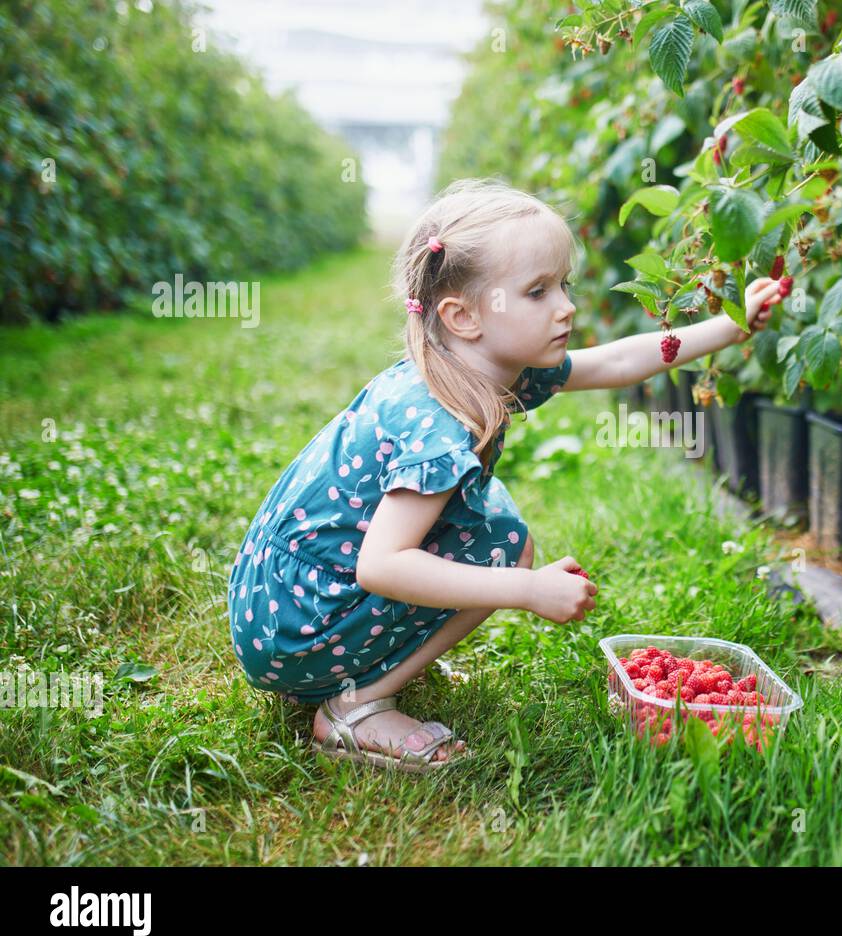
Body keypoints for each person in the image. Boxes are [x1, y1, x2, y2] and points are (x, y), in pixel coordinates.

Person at [226, 178, 783, 772]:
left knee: (500, 534)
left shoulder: (483, 366)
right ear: (464, 316)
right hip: (294, 623)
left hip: (285, 602)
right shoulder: (438, 421)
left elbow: (619, 360)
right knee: (506, 556)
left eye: (563, 284)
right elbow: (381, 565)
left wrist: (732, 324)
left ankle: (370, 667)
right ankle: (357, 705)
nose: (566, 305)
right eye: (538, 291)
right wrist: (528, 591)